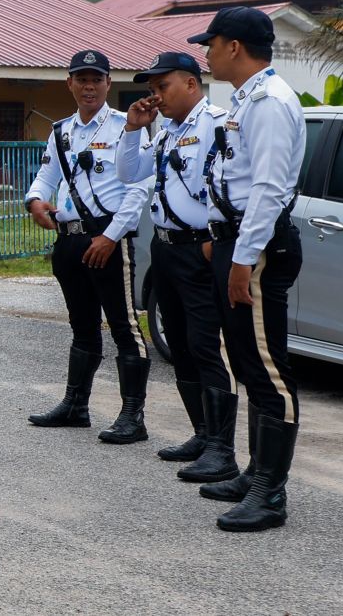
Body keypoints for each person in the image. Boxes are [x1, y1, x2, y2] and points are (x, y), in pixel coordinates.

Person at [185, 7, 305, 532]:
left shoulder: (271, 102)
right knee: (246, 363)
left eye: (210, 44)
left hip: (256, 249)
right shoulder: (245, 99)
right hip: (234, 241)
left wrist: (242, 256)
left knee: (267, 368)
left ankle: (269, 494)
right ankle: (255, 472)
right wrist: (220, 235)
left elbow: (269, 188)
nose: (205, 53)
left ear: (234, 46)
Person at [116, 53, 240, 485]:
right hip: (165, 248)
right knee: (180, 345)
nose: (155, 95)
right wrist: (133, 129)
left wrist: (214, 234)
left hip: (198, 248)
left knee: (206, 345)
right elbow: (130, 173)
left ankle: (223, 451)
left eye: (162, 86)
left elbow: (228, 180)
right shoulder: (166, 130)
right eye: (151, 87)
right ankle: (202, 435)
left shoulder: (217, 123)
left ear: (191, 84)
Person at [24, 50, 152, 443]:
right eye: (81, 79)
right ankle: (76, 405)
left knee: (123, 327)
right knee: (82, 325)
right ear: (70, 83)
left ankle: (133, 415)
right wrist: (33, 201)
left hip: (107, 240)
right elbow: (46, 176)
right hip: (70, 239)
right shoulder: (61, 130)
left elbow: (138, 188)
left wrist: (112, 236)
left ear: (109, 84)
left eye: (96, 79)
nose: (89, 86)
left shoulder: (125, 127)